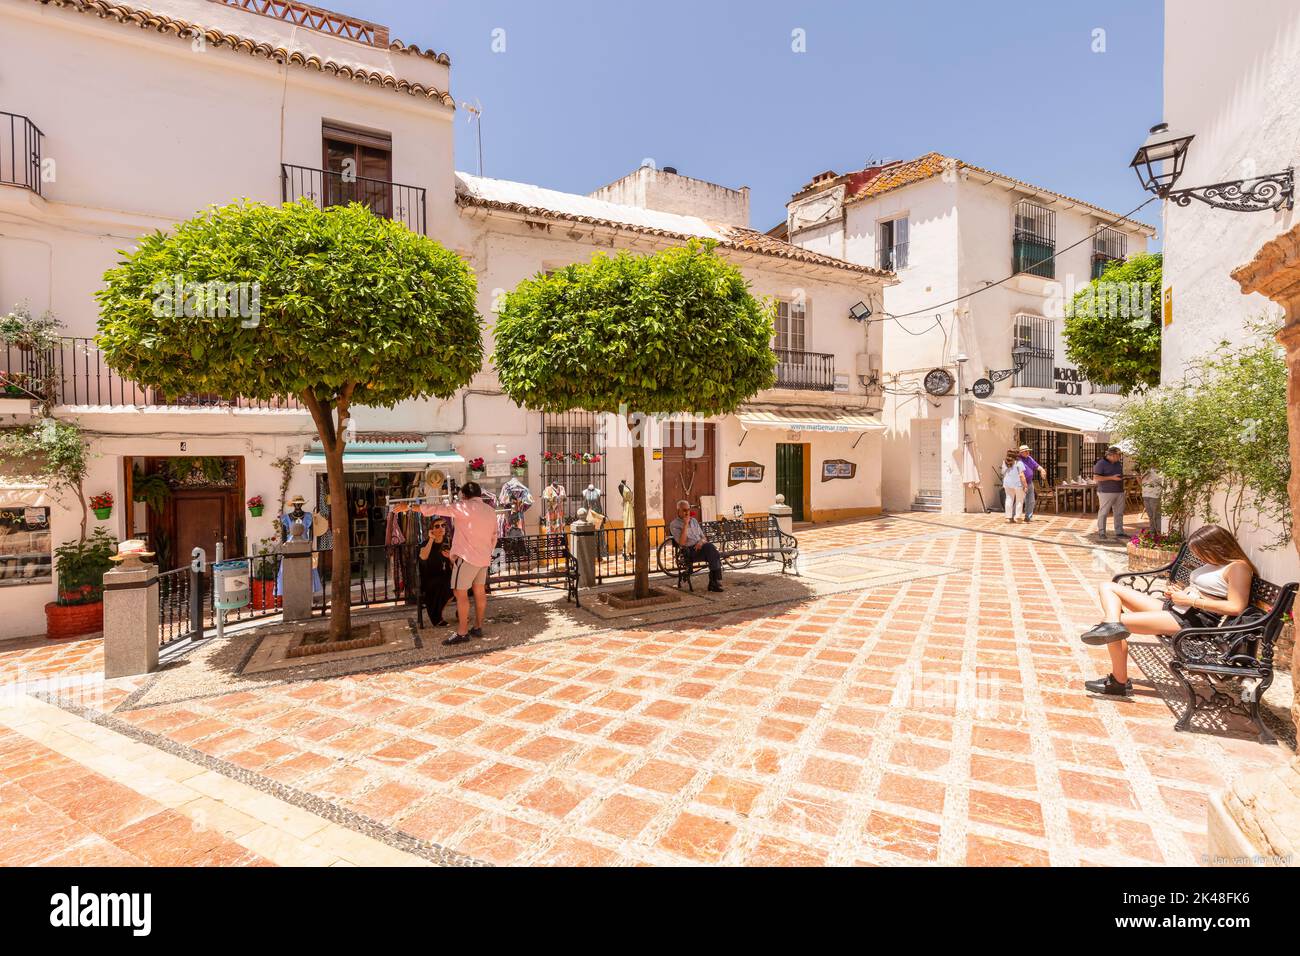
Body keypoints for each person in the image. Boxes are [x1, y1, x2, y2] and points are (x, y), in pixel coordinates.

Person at [1079, 524, 1256, 696]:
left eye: (1201, 551)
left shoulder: (1238, 567)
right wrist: (1180, 593)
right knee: (1108, 587)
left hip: (1192, 621)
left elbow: (1235, 607)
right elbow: (1207, 592)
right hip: (1179, 608)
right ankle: (1111, 623)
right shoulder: (1216, 563)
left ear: (1217, 546)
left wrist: (1192, 600)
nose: (1199, 556)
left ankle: (1119, 681)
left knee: (1118, 624)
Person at [420, 481, 498, 645]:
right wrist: (486, 552)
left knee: (460, 593)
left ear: (464, 495)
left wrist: (412, 507)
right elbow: (494, 536)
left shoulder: (464, 506)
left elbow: (439, 508)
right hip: (483, 559)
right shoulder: (490, 510)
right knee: (479, 592)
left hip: (467, 557)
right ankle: (477, 626)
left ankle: (462, 632)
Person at [668, 499, 724, 592]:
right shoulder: (674, 524)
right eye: (684, 510)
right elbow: (681, 543)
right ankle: (714, 582)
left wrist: (701, 542)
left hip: (701, 548)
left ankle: (714, 582)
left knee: (711, 550)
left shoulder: (694, 521)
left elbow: (703, 537)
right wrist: (685, 524)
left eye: (688, 510)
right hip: (688, 551)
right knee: (713, 551)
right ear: (678, 511)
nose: (687, 512)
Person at [417, 517, 453, 628]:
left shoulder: (449, 543)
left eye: (443, 525)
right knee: (443, 584)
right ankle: (437, 616)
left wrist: (451, 557)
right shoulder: (426, 544)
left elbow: (454, 564)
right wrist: (431, 539)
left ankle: (460, 610)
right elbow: (423, 556)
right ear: (431, 529)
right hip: (430, 578)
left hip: (447, 575)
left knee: (459, 583)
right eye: (437, 526)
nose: (441, 528)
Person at [1093, 446, 1127, 539]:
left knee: (1119, 512)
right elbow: (1096, 478)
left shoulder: (1118, 463)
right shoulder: (1101, 463)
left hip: (1119, 491)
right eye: (1118, 455)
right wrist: (1112, 478)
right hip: (1106, 492)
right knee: (1104, 512)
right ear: (1111, 455)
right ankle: (1102, 532)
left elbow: (1118, 475)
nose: (1119, 457)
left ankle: (1119, 532)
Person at [1017, 445, 1047, 522]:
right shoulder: (1019, 460)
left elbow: (1036, 466)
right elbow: (1020, 474)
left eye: (1028, 451)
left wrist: (1042, 470)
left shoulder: (1029, 458)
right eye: (1026, 451)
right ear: (1021, 453)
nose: (1028, 452)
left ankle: (1028, 517)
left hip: (1029, 482)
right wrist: (1024, 485)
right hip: (1021, 483)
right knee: (1020, 500)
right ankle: (1015, 516)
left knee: (1031, 500)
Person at [1001, 451, 1028, 523]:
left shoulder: (1005, 462)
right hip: (1017, 484)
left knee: (1009, 499)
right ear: (1016, 455)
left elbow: (1002, 472)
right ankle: (1018, 518)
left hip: (1007, 484)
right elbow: (1022, 475)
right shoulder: (1019, 463)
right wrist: (1025, 485)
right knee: (1019, 500)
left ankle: (1008, 518)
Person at [1140, 463, 1163, 534]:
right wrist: (1141, 476)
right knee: (1150, 515)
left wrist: (1151, 473)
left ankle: (1159, 531)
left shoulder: (1160, 472)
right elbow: (1141, 483)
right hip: (1145, 495)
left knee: (1156, 514)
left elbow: (1160, 481)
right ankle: (1152, 530)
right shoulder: (1146, 471)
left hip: (1154, 495)